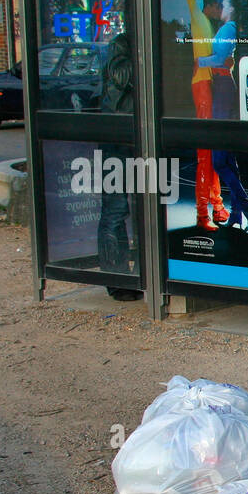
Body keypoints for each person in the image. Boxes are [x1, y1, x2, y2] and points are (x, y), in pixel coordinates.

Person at [198, 0, 248, 230]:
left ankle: (246, 205)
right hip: (222, 86)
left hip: (223, 87)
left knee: (219, 159)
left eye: (223, 5)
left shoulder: (228, 29)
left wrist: (198, 61)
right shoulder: (226, 29)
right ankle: (237, 212)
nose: (219, 9)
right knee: (227, 159)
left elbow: (219, 58)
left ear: (231, 9)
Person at [96, 33, 142, 302]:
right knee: (115, 208)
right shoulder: (122, 44)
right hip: (118, 139)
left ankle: (143, 272)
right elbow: (121, 75)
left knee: (144, 208)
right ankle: (116, 278)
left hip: (139, 137)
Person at [186, 0, 226, 231]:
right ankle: (204, 213)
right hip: (202, 86)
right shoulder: (198, 17)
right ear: (209, 5)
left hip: (208, 84)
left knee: (214, 151)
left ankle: (217, 205)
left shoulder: (208, 26)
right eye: (218, 7)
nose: (220, 11)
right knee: (206, 153)